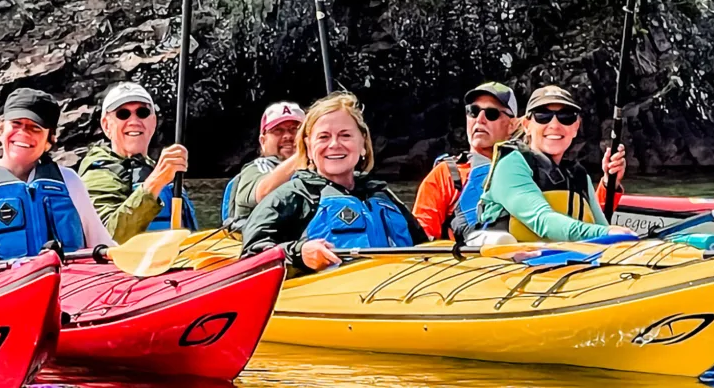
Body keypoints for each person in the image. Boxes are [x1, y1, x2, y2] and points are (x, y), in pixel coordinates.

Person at [240, 93, 427, 274]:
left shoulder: (382, 194)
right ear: (309, 147)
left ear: (362, 143)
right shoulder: (293, 196)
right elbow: (251, 257)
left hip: (393, 287)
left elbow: (425, 248)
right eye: (323, 137)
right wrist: (298, 253)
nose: (334, 144)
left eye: (345, 135)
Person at [0, 88, 116, 261]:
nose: (23, 132)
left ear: (49, 140)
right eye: (16, 123)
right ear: (1, 129)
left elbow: (103, 246)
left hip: (66, 278)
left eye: (35, 127)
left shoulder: (69, 181)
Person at [455, 85, 631, 245]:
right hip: (507, 263)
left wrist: (609, 184)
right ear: (526, 125)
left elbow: (602, 227)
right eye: (543, 116)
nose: (554, 125)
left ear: (576, 127)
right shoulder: (511, 165)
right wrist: (605, 233)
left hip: (564, 263)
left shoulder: (578, 175)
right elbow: (542, 221)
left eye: (566, 117)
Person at [77, 82, 190, 241]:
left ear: (153, 122)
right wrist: (156, 182)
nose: (134, 121)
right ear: (106, 125)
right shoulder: (97, 173)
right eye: (123, 114)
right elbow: (108, 238)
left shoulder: (156, 168)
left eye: (142, 113)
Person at [411, 82, 519, 240]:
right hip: (468, 253)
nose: (480, 120)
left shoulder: (529, 169)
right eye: (473, 112)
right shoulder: (446, 174)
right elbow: (421, 238)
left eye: (492, 114)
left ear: (512, 125)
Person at [220, 101, 304, 228]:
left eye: (295, 130)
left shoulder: (322, 167)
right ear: (263, 141)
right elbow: (264, 192)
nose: (287, 136)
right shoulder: (256, 168)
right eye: (278, 131)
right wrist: (304, 153)